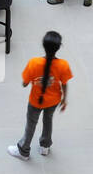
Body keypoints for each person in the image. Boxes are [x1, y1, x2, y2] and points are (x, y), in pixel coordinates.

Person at [8, 31, 70, 161]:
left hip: (36, 101)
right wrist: (64, 99)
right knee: (48, 121)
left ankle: (24, 150)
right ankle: (45, 146)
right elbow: (64, 83)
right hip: (54, 101)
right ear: (59, 48)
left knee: (31, 125)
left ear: (43, 45)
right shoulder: (63, 65)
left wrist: (28, 81)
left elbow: (25, 83)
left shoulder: (34, 63)